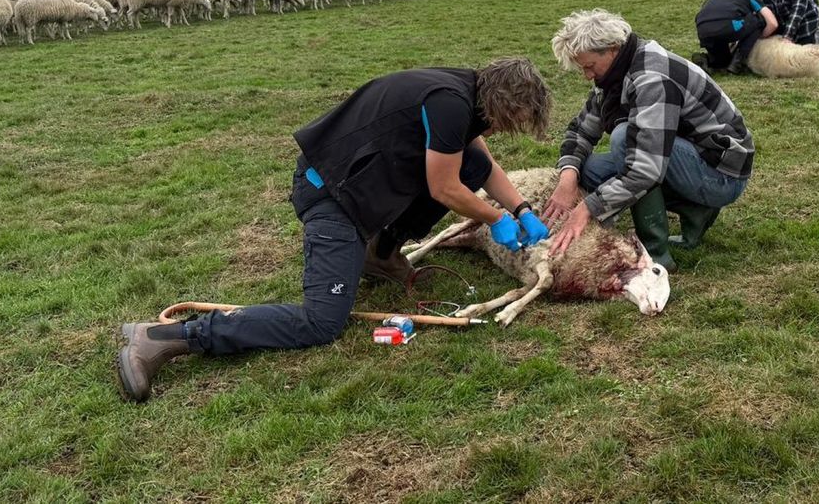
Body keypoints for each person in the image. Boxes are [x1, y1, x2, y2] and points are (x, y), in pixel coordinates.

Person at [117, 58, 554, 402]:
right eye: (510, 120)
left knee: (470, 165)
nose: (504, 129)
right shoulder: (449, 102)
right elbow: (443, 187)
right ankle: (165, 338)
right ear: (501, 100)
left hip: (361, 185)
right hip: (331, 196)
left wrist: (522, 207)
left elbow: (482, 164)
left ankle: (379, 254)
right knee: (322, 322)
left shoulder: (462, 92)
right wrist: (497, 219)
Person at [542, 9, 754, 271]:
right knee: (590, 170)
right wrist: (568, 178)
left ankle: (655, 254)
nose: (587, 75)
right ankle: (695, 210)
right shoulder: (614, 72)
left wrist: (587, 207)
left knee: (624, 140)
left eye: (589, 66)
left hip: (722, 174)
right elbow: (582, 130)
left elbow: (645, 170)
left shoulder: (652, 77)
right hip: (685, 156)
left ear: (611, 49)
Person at [693, 0, 778, 75]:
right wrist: (758, 37)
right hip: (727, 24)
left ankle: (705, 60)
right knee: (759, 20)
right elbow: (773, 23)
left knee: (722, 62)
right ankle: (737, 64)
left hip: (703, 29)